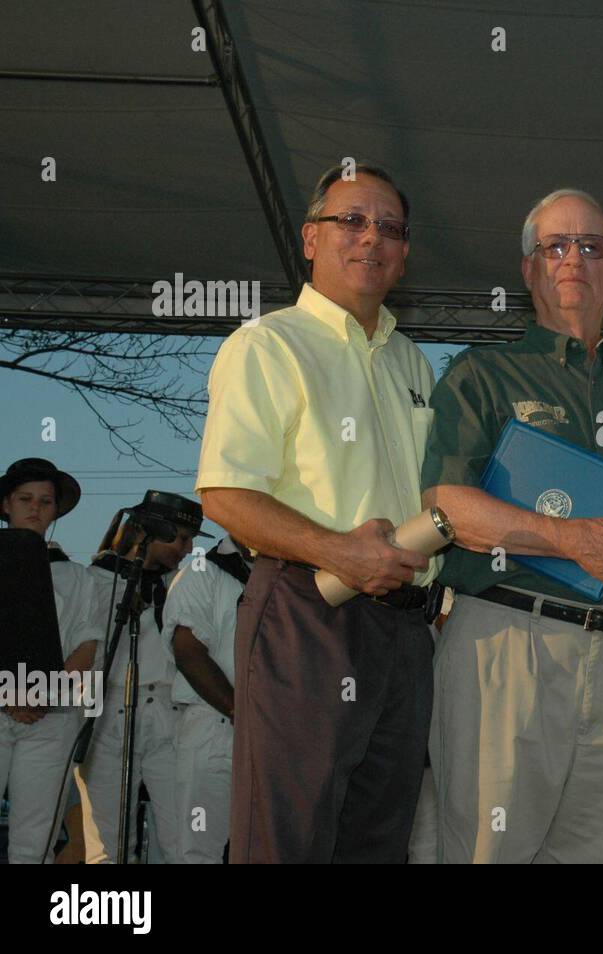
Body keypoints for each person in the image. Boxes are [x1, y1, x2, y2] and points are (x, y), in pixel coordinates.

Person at [196, 162, 440, 863]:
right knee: (289, 841)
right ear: (310, 238)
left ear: (404, 253)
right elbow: (226, 496)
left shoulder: (413, 364)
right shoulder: (268, 346)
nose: (372, 239)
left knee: (377, 844)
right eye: (352, 221)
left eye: (389, 228)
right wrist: (337, 550)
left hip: (406, 633)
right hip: (309, 615)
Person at [421, 189, 603, 863]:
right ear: (528, 270)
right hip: (509, 645)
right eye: (554, 246)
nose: (574, 260)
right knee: (485, 850)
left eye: (592, 247)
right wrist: (570, 539)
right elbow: (447, 505)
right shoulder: (479, 375)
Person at [76, 491, 201, 863]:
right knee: (107, 839)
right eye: (180, 537)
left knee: (183, 836)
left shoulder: (182, 585)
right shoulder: (94, 580)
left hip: (169, 711)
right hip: (108, 709)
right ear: (151, 532)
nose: (188, 547)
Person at [0, 458, 99, 863]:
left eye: (45, 500)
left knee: (35, 833)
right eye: (25, 499)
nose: (36, 508)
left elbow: (87, 644)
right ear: (6, 505)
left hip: (51, 715)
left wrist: (41, 692)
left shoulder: (77, 577)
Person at [163, 533, 250, 863]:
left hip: (272, 731)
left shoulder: (288, 574)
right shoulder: (203, 571)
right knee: (199, 851)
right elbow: (188, 652)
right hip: (213, 728)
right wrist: (240, 711)